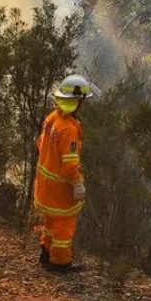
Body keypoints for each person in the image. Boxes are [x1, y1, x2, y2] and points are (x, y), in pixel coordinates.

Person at [34, 74, 97, 272]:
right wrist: (77, 184)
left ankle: (46, 253)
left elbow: (41, 144)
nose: (84, 105)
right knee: (64, 226)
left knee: (50, 223)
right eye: (82, 101)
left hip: (45, 187)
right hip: (60, 191)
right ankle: (60, 263)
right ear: (75, 102)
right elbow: (69, 164)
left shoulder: (52, 118)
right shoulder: (68, 128)